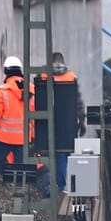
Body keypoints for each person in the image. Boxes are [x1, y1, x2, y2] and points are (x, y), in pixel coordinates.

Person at [0, 56, 51, 198]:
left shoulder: (2, 91)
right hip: (24, 139)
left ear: (6, 72)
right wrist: (33, 137)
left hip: (3, 138)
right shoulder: (32, 90)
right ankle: (22, 195)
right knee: (22, 170)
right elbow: (35, 116)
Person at [36, 51, 84, 195]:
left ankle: (47, 187)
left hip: (44, 126)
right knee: (62, 156)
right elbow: (78, 103)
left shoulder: (41, 77)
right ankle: (59, 187)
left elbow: (35, 102)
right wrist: (82, 122)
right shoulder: (71, 78)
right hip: (66, 128)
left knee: (44, 155)